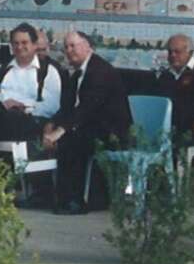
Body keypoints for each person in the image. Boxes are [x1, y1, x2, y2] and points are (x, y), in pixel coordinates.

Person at [43, 30, 132, 215]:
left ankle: (74, 200)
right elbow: (68, 108)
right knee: (65, 136)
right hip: (91, 127)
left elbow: (87, 108)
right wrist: (52, 124)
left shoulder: (101, 71)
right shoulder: (76, 74)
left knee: (72, 140)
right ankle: (51, 195)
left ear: (87, 46)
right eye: (66, 47)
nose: (68, 51)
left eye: (73, 46)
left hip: (112, 132)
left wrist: (60, 131)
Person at [0, 22, 61, 168]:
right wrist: (4, 104)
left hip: (30, 120)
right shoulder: (0, 70)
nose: (19, 47)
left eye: (24, 42)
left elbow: (52, 106)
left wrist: (24, 105)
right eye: (16, 43)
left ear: (34, 45)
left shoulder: (48, 71)